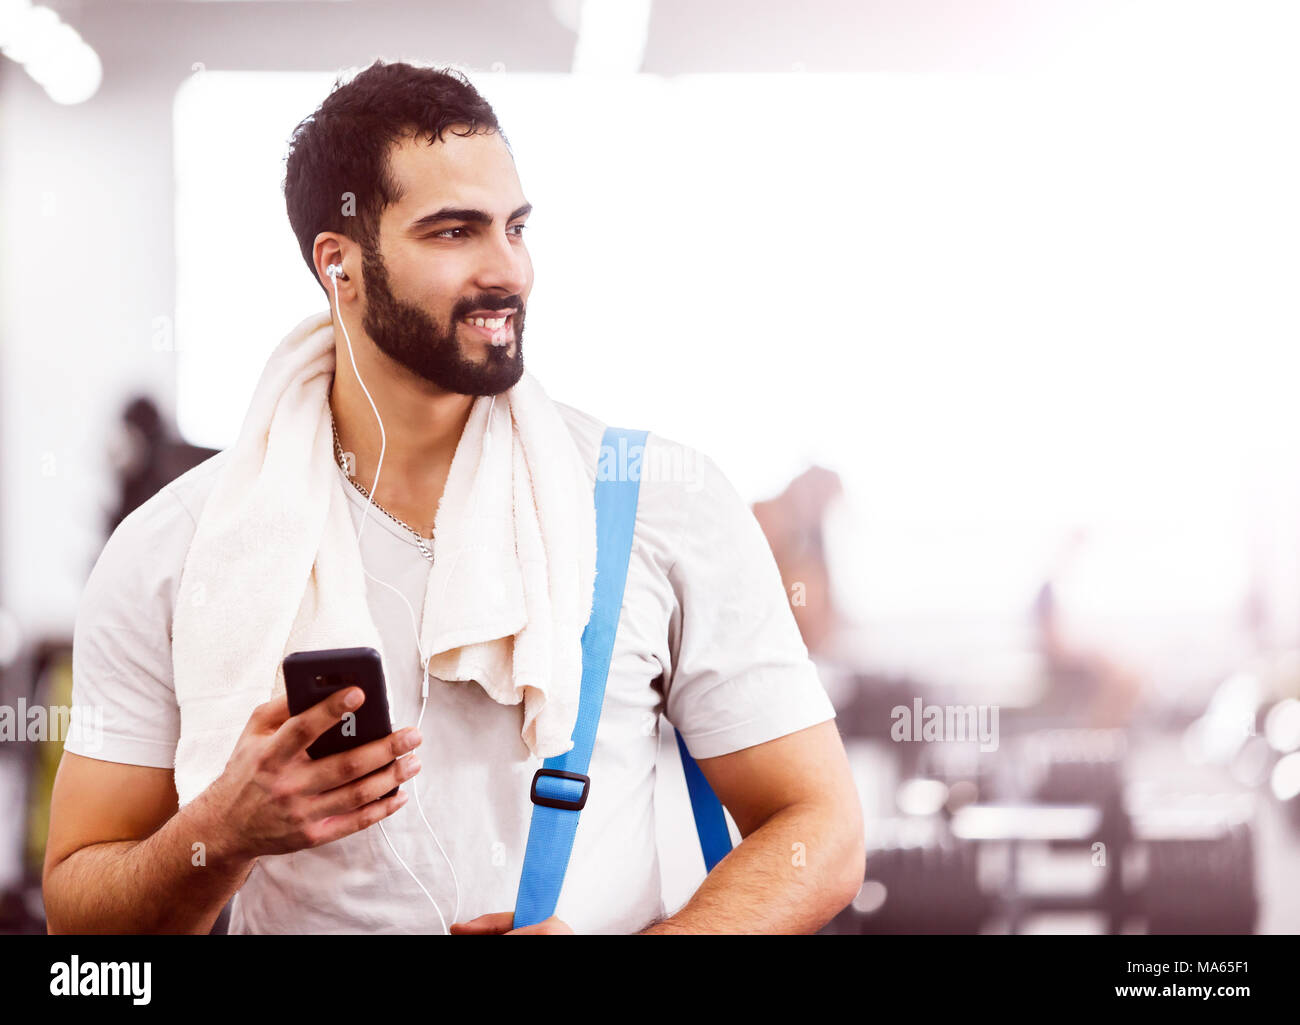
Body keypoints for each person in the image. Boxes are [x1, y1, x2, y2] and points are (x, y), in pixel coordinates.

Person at [42, 60, 864, 935]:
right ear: (340, 264)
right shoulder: (179, 549)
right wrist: (224, 829)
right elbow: (80, 918)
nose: (508, 269)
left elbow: (824, 829)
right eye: (453, 232)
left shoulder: (657, 504)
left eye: (515, 227)